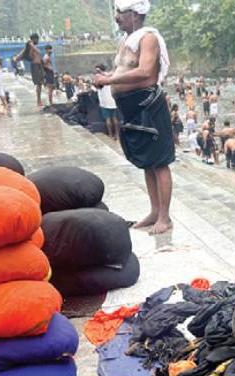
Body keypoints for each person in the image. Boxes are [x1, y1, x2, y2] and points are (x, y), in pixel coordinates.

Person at [93, 0, 175, 235]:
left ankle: (164, 217)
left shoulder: (147, 38)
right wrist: (108, 75)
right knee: (147, 162)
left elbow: (146, 72)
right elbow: (125, 70)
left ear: (135, 14)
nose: (117, 16)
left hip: (148, 106)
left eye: (121, 12)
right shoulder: (126, 40)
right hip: (130, 107)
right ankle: (154, 210)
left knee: (160, 162)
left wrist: (108, 81)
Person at [17, 33, 46, 107]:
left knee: (40, 84)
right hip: (35, 66)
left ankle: (39, 100)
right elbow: (31, 52)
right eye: (37, 39)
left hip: (39, 65)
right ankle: (38, 101)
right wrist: (31, 44)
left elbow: (38, 54)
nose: (38, 40)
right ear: (34, 39)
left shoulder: (32, 46)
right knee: (39, 84)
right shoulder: (30, 46)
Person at [95, 64, 120, 141]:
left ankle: (110, 134)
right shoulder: (112, 75)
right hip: (113, 101)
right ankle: (117, 134)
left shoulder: (98, 78)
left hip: (104, 102)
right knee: (115, 118)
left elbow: (96, 86)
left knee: (108, 119)